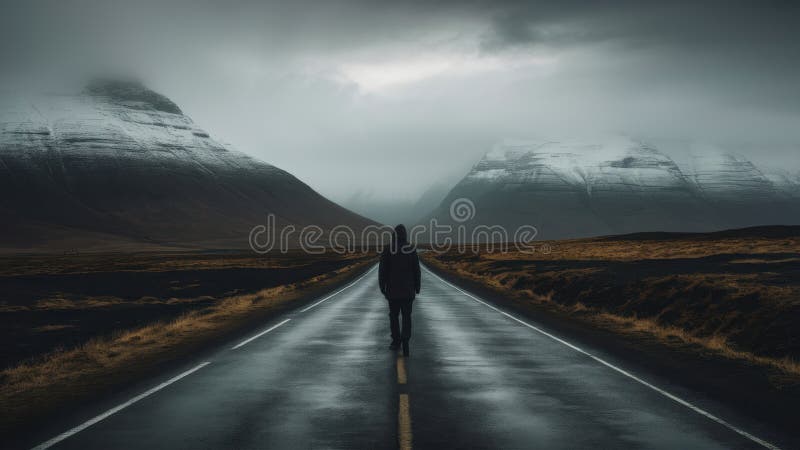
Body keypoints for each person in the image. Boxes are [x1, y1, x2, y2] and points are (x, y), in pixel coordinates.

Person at [378, 224, 421, 356]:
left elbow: (382, 270)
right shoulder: (411, 249)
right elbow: (416, 270)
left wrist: (382, 287)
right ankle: (406, 338)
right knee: (407, 316)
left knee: (394, 316)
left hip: (393, 291)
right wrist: (417, 287)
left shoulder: (388, 249)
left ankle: (396, 341)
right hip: (408, 291)